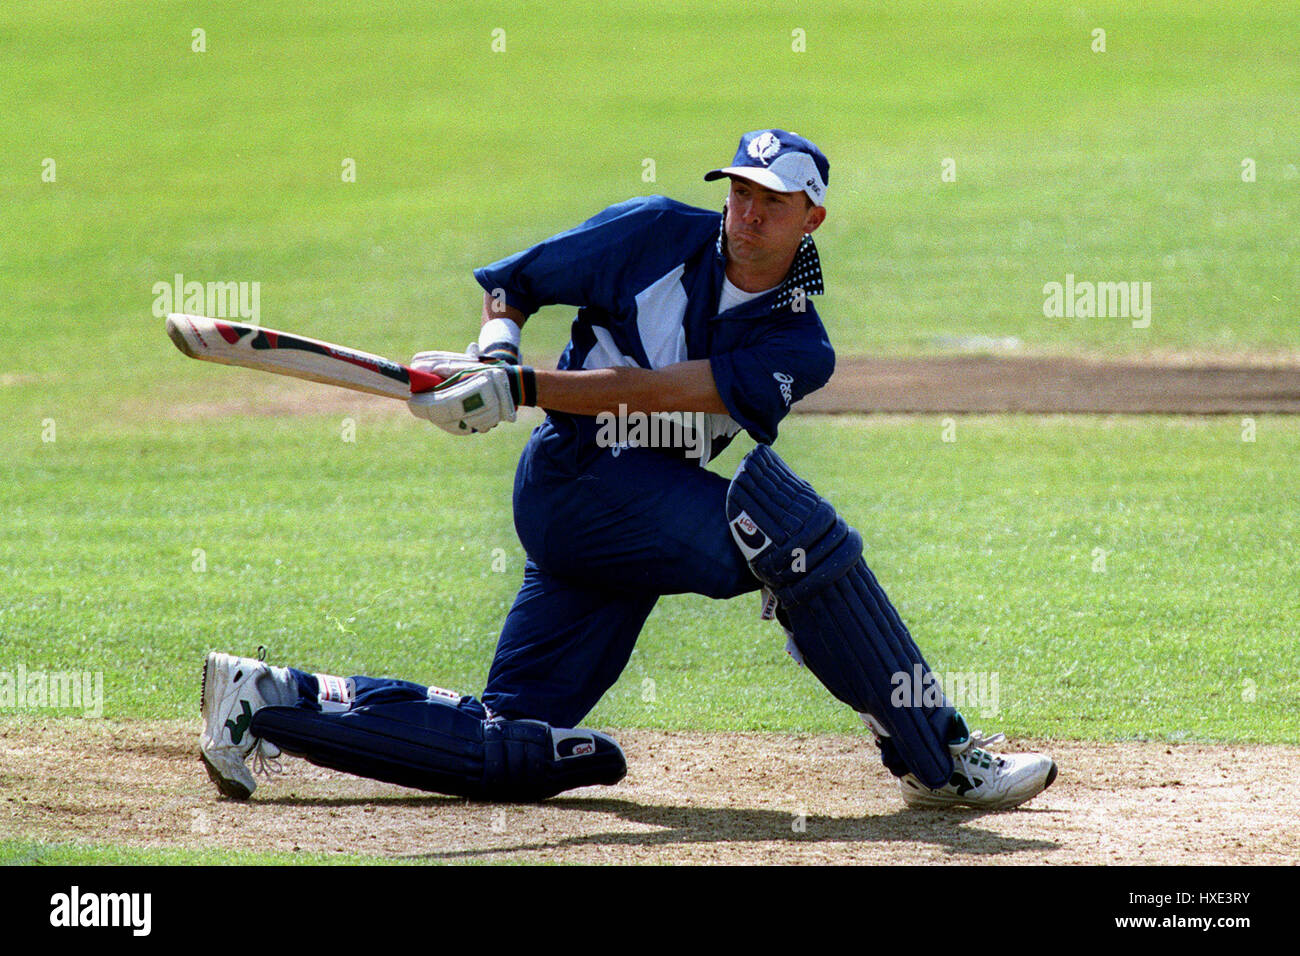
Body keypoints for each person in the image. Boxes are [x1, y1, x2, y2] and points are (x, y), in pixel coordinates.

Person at [199, 130, 1057, 809]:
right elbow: (512, 281)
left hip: (633, 510)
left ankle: (267, 699)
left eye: (773, 201)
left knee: (511, 743)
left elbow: (660, 391)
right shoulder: (652, 232)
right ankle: (938, 758)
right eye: (741, 192)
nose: (748, 213)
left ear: (811, 222)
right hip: (575, 484)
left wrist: (525, 384)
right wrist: (496, 347)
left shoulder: (799, 343)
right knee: (793, 539)